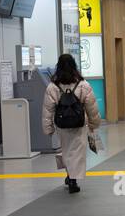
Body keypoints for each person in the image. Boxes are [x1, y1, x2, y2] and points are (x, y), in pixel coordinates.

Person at [41, 53, 101, 193]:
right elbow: (91, 106)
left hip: (62, 125)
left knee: (66, 150)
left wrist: (48, 128)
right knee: (77, 152)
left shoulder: (52, 86)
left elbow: (47, 110)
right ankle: (73, 180)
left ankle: (70, 176)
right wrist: (94, 123)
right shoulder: (83, 84)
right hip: (79, 124)